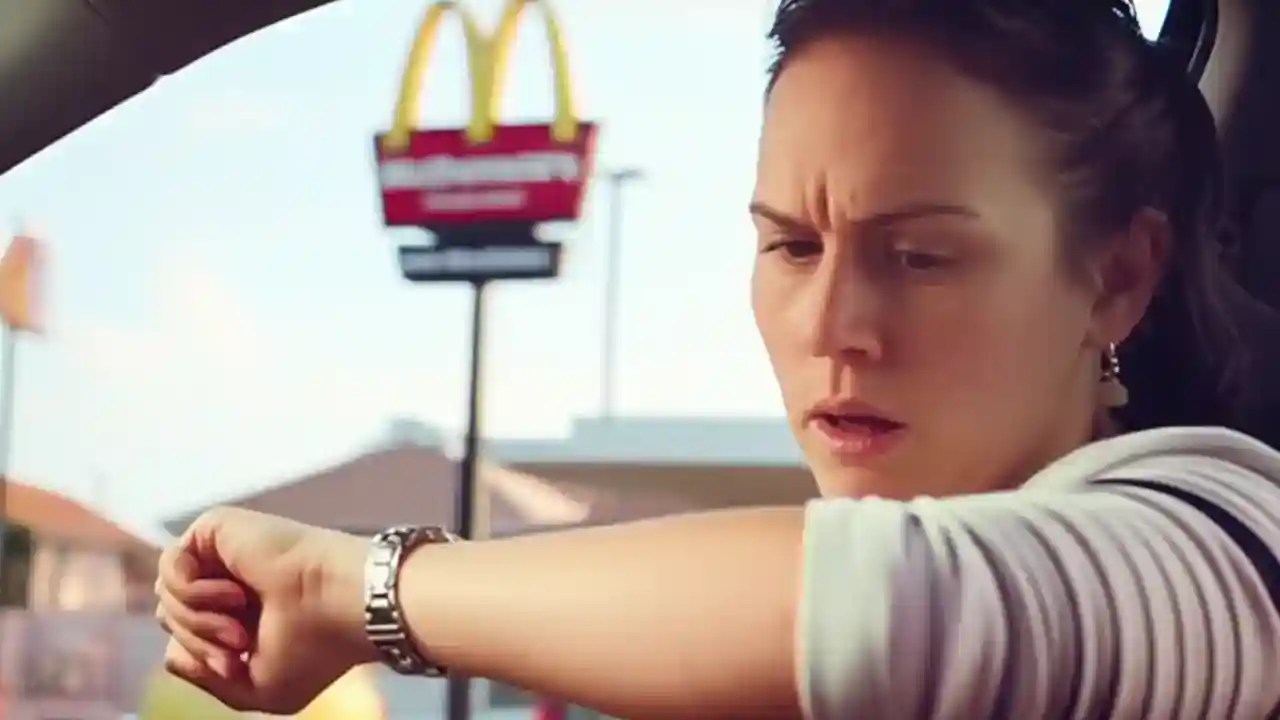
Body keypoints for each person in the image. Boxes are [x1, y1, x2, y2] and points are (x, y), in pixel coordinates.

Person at [154, 0, 1280, 718]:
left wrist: (352, 587)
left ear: (1117, 277)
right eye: (788, 244)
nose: (831, 321)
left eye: (923, 255)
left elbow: (897, 613)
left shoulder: (1227, 528)